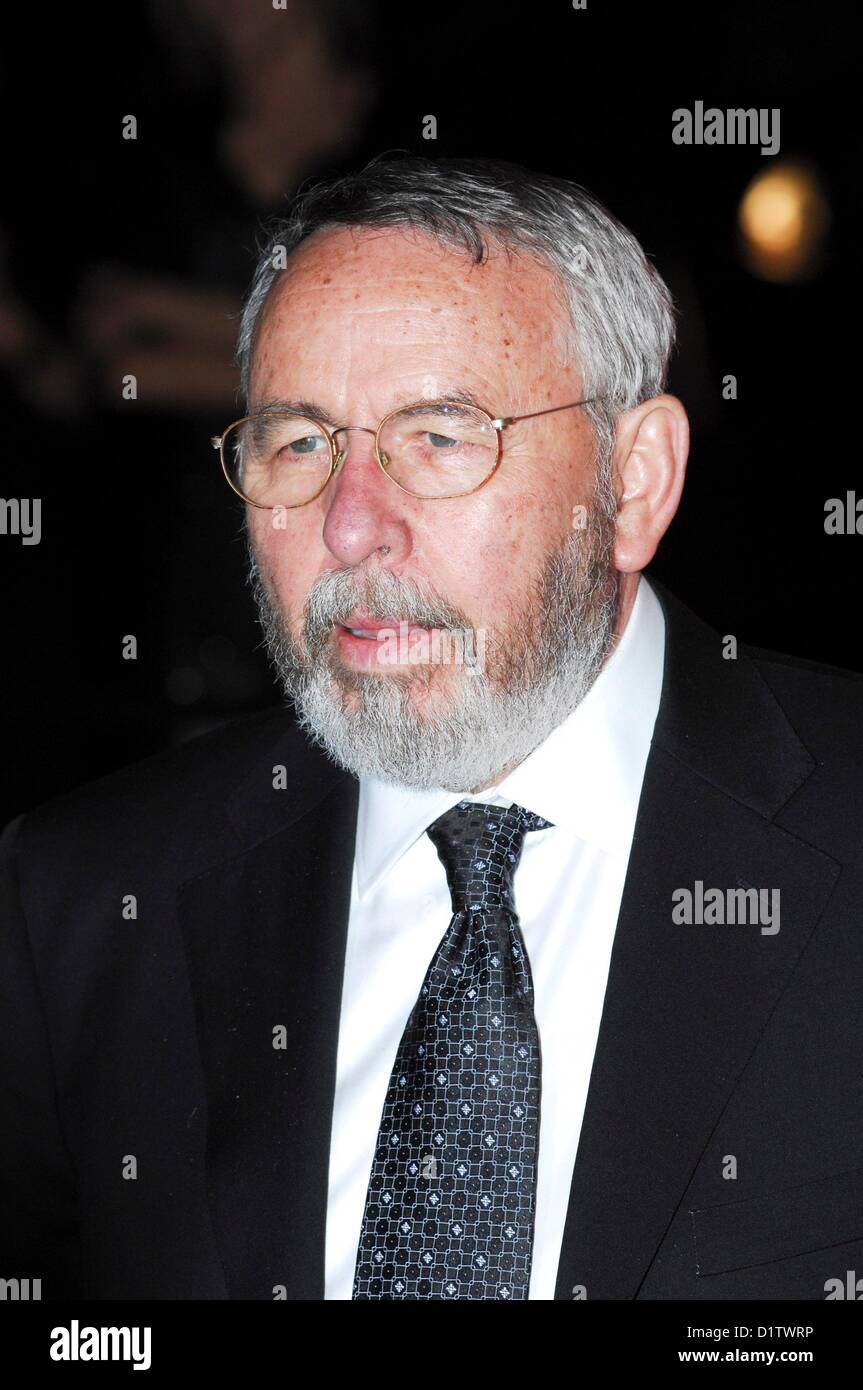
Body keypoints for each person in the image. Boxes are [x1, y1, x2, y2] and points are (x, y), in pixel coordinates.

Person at [2, 156, 861, 1301]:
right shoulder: (83, 905)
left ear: (632, 482)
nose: (351, 527)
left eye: (440, 436)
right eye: (297, 442)